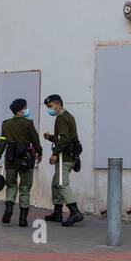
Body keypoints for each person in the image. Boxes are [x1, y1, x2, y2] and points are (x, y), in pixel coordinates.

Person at [0, 98, 42, 227]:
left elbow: (2, 143)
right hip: (26, 160)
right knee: (25, 188)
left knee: (11, 185)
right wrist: (40, 152)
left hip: (11, 160)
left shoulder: (6, 124)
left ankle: (9, 208)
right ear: (21, 109)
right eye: (25, 107)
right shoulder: (28, 123)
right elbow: (35, 140)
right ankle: (23, 219)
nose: (27, 110)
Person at [41, 94, 85, 227]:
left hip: (64, 157)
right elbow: (63, 137)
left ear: (58, 104)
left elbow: (64, 139)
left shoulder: (61, 117)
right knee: (56, 183)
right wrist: (50, 137)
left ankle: (75, 212)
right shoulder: (68, 116)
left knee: (62, 184)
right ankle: (58, 212)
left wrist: (55, 154)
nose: (49, 109)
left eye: (50, 106)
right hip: (68, 155)